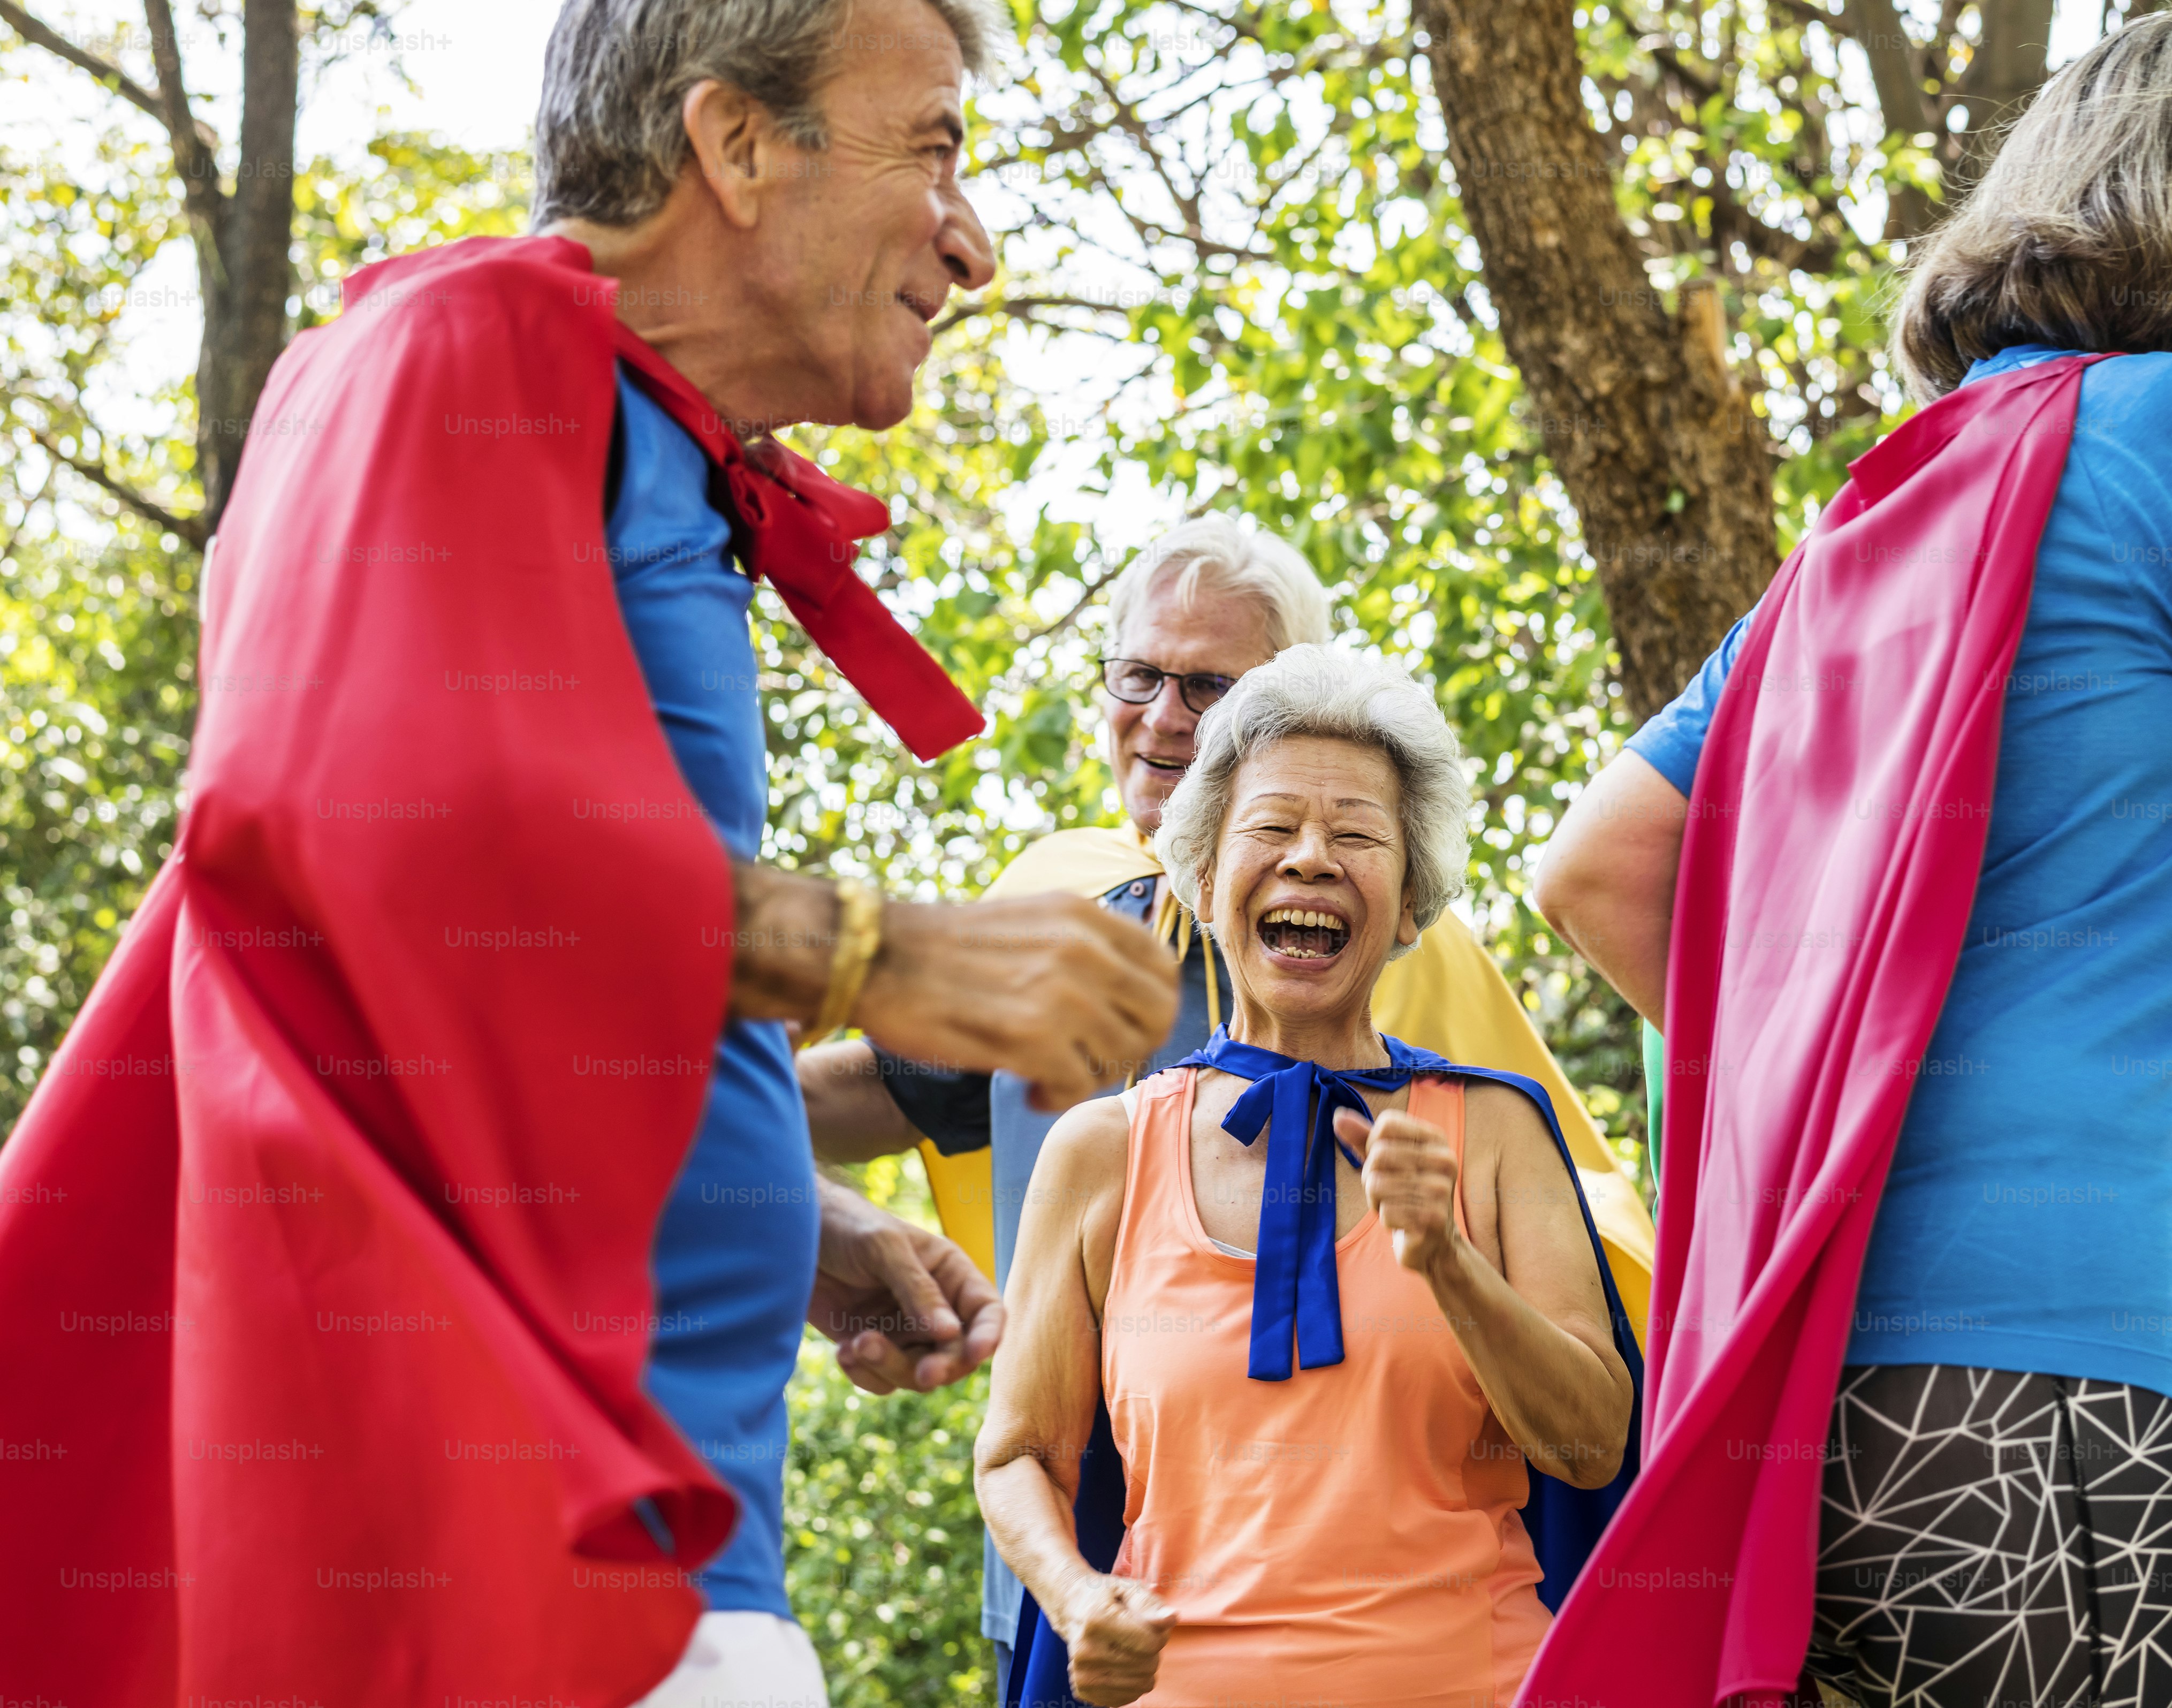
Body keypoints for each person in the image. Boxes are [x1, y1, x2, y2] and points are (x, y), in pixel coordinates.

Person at [0, 4, 1183, 1705]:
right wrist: (889, 955)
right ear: (737, 144)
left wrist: (783, 1214)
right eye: (932, 146)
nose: (974, 243)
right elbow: (341, 822)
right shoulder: (444, 343)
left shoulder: (637, 445)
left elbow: (496, 952)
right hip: (505, 1565)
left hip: (646, 1555)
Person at [1523, 13, 2172, 1708]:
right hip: (2056, 1386)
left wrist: (1863, 1087)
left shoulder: (1891, 496)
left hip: (1812, 1400)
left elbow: (1601, 864)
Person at [795, 513, 1658, 1676]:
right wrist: (731, 1169)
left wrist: (1446, 1254)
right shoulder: (1058, 917)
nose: (1162, 718)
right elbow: (889, 1088)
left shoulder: (1438, 993)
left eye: (1208, 687)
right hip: (1103, 1593)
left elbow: (1588, 1325)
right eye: (1140, 676)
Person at [974, 644, 1639, 1708]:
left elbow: (1592, 1445)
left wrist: (1450, 1266)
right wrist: (1073, 1597)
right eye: (1273, 829)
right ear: (1201, 882)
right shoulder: (1098, 1153)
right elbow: (1015, 1457)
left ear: (1411, 905)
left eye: (1358, 836)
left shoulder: (1499, 1129)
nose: (1312, 860)